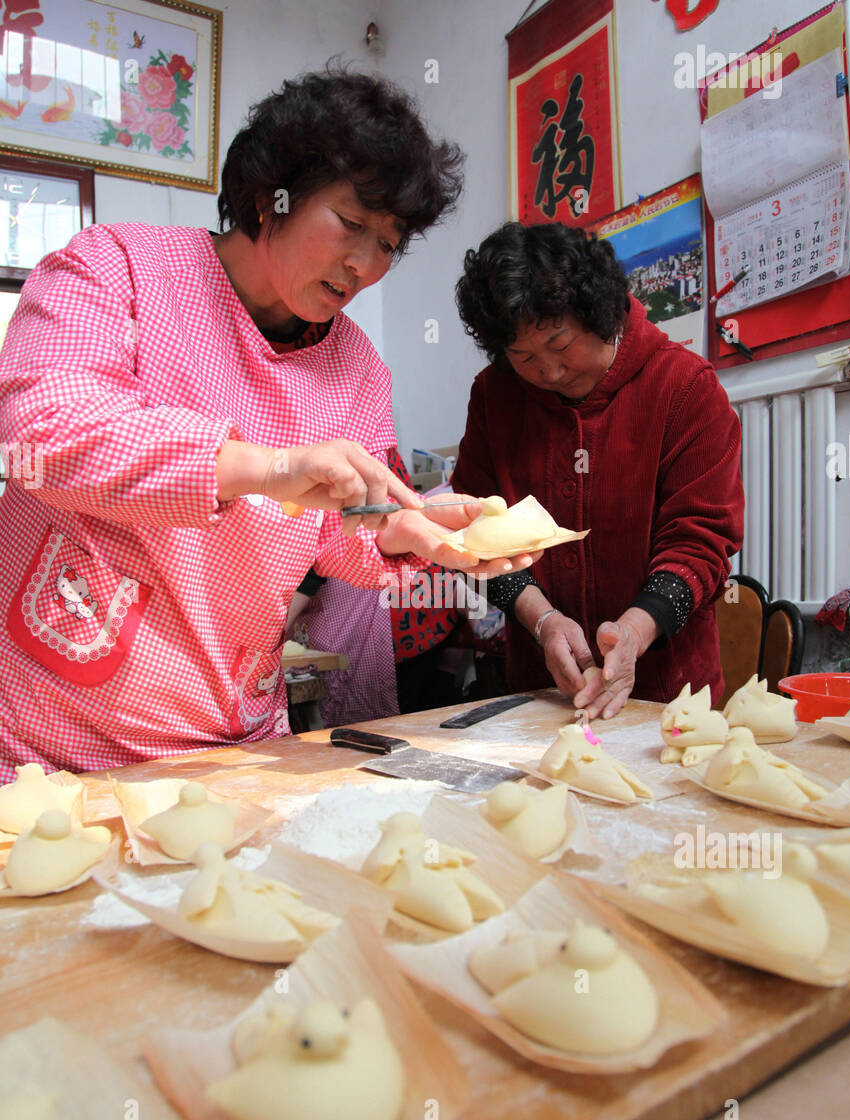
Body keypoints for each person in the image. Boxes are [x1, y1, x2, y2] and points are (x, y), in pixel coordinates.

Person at [0, 68, 536, 776]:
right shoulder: (117, 268)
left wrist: (411, 531)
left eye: (387, 241)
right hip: (60, 725)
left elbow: (342, 531)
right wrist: (268, 467)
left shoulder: (359, 370)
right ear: (268, 194)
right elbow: (39, 433)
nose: (363, 263)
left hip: (233, 734)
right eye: (350, 223)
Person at [452, 221, 745, 717]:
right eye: (522, 356)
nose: (548, 372)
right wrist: (543, 621)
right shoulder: (494, 396)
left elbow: (701, 542)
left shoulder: (684, 388)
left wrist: (633, 630)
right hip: (542, 694)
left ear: (600, 314)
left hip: (668, 698)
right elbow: (475, 534)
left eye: (561, 345)